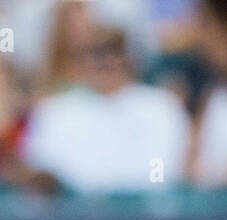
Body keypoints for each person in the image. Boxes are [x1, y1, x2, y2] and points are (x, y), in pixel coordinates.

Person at [21, 25, 190, 192]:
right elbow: (41, 172)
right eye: (95, 54)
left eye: (112, 52)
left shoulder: (161, 107)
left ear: (128, 58)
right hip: (73, 214)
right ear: (80, 61)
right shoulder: (53, 112)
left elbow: (167, 173)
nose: (103, 61)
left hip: (145, 213)